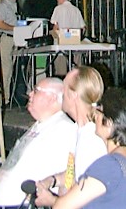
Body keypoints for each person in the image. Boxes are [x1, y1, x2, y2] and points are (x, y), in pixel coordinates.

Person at [35, 87, 126, 209]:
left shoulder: (109, 165)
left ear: (109, 123)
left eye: (99, 111)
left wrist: (50, 199)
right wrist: (53, 180)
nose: (95, 115)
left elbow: (62, 206)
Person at [0, 78, 76, 208]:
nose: (30, 94)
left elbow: (69, 176)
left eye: (36, 90)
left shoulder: (65, 128)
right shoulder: (40, 125)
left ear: (52, 98)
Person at [36, 67, 106, 197]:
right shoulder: (78, 129)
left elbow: (87, 193)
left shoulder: (92, 139)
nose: (61, 94)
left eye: (64, 89)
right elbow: (73, 175)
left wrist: (52, 201)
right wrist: (53, 180)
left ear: (73, 95)